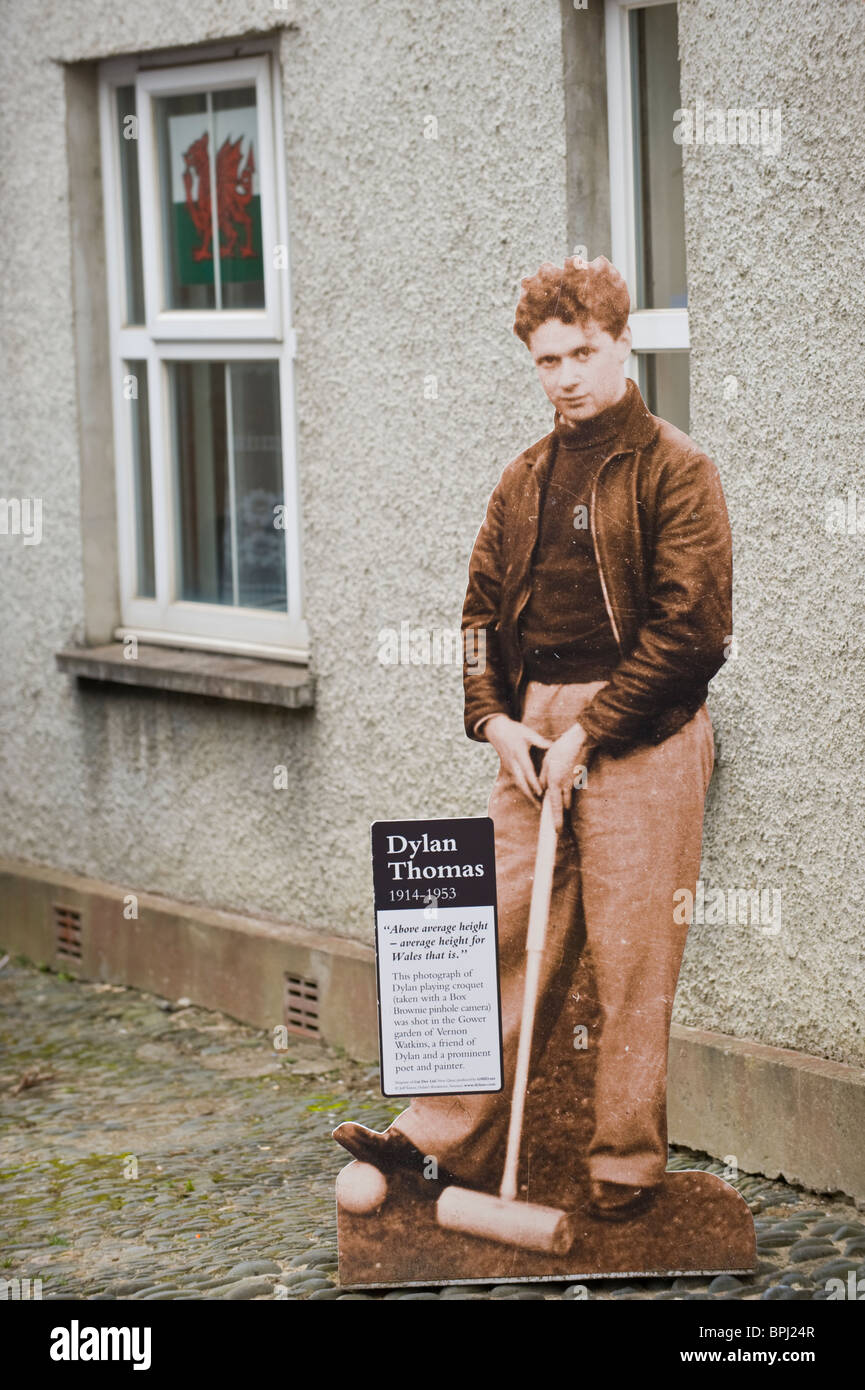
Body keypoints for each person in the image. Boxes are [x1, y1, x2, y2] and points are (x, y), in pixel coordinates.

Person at [334, 255, 732, 1222]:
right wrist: (496, 720)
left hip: (644, 731)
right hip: (535, 727)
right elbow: (477, 615)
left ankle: (624, 1165)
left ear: (621, 343)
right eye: (546, 359)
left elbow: (692, 631)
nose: (565, 376)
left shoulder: (677, 468)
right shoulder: (522, 479)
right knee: (495, 930)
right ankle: (438, 1142)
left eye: (583, 353)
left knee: (634, 957)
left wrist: (593, 727)